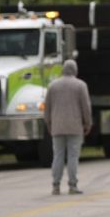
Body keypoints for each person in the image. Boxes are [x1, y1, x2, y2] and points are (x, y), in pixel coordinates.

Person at [44, 60, 92, 195]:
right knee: (73, 156)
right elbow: (86, 107)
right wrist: (87, 123)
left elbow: (47, 107)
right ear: (75, 70)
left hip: (57, 127)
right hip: (75, 127)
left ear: (63, 70)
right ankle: (72, 185)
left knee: (58, 155)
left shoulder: (52, 86)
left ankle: (55, 185)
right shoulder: (81, 85)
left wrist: (48, 123)